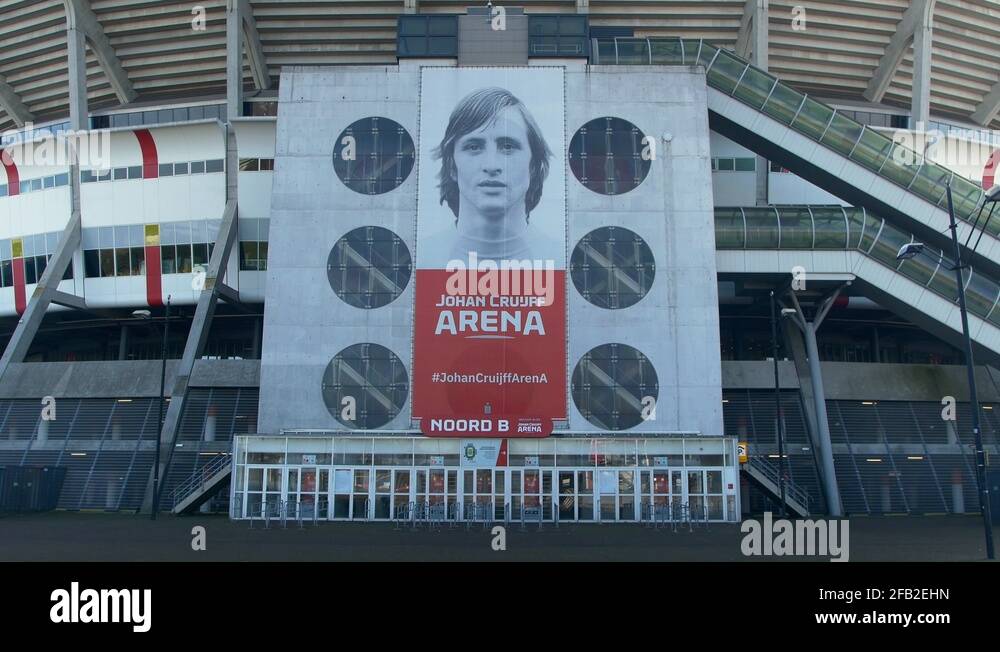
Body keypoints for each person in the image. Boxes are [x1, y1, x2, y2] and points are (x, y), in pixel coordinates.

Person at [425, 86, 557, 265]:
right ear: (451, 165)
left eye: (508, 147)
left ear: (533, 165)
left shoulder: (562, 260)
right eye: (474, 147)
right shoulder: (424, 259)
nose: (491, 166)